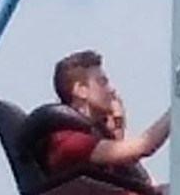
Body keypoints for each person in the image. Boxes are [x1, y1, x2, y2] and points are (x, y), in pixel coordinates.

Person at [54, 52, 173, 184]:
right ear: (81, 90)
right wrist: (178, 109)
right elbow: (144, 146)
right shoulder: (68, 140)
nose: (111, 90)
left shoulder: (95, 136)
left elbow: (123, 161)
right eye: (102, 82)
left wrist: (117, 122)